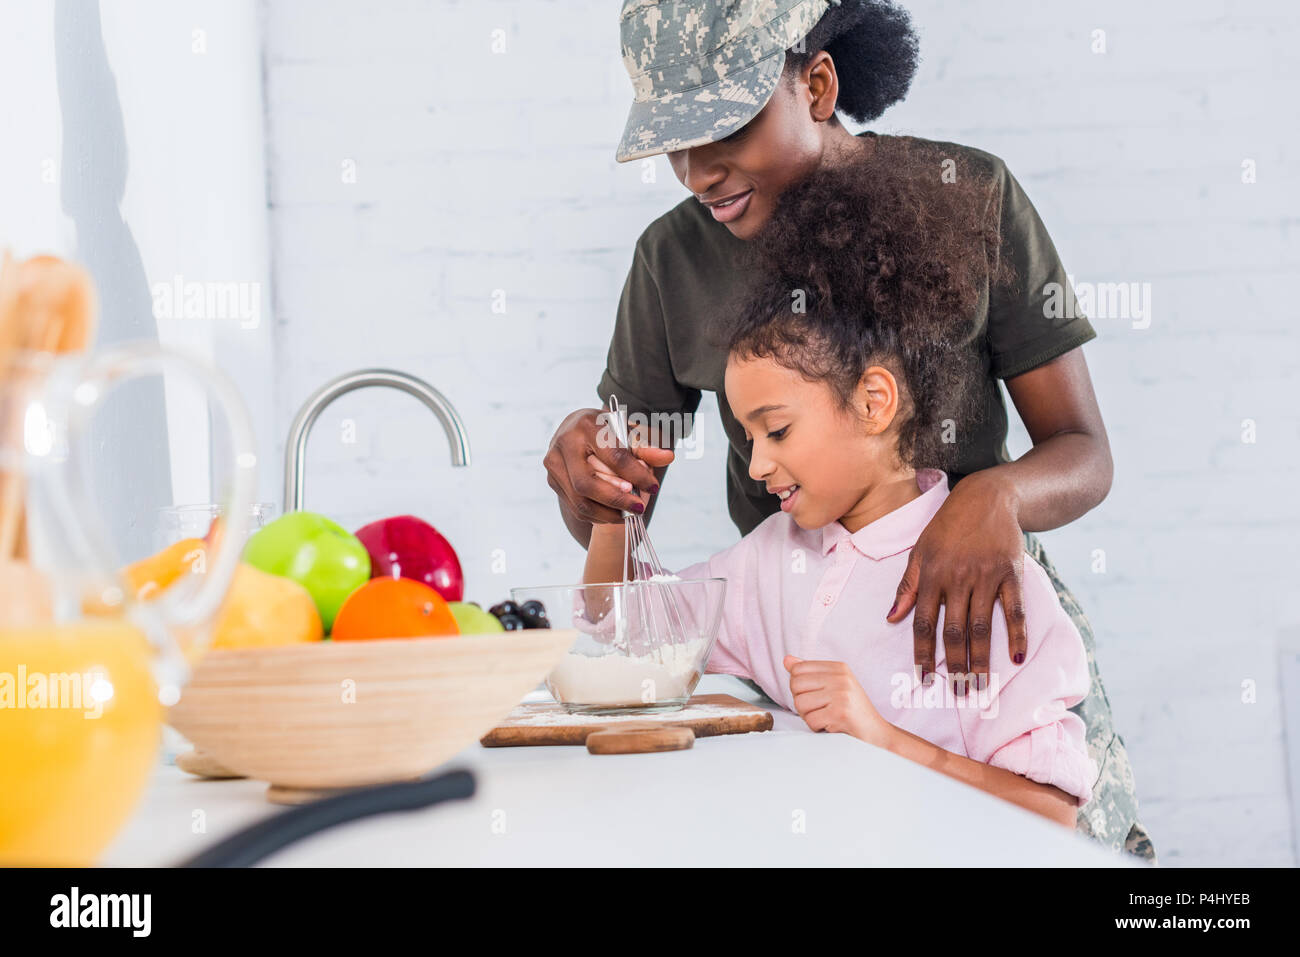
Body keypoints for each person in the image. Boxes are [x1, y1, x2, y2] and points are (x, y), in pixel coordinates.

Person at [543, 0, 1154, 861]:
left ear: (818, 84)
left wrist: (995, 495)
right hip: (799, 637)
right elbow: (623, 538)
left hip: (974, 630)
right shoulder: (670, 264)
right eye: (674, 143)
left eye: (725, 128)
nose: (697, 172)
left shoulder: (972, 198)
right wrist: (594, 483)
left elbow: (1084, 451)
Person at [582, 147, 1095, 827]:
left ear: (875, 402)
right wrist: (613, 507)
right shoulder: (768, 561)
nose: (756, 465)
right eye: (747, 435)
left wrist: (880, 737)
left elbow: (1052, 813)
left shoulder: (994, 591)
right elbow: (629, 628)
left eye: (778, 431)